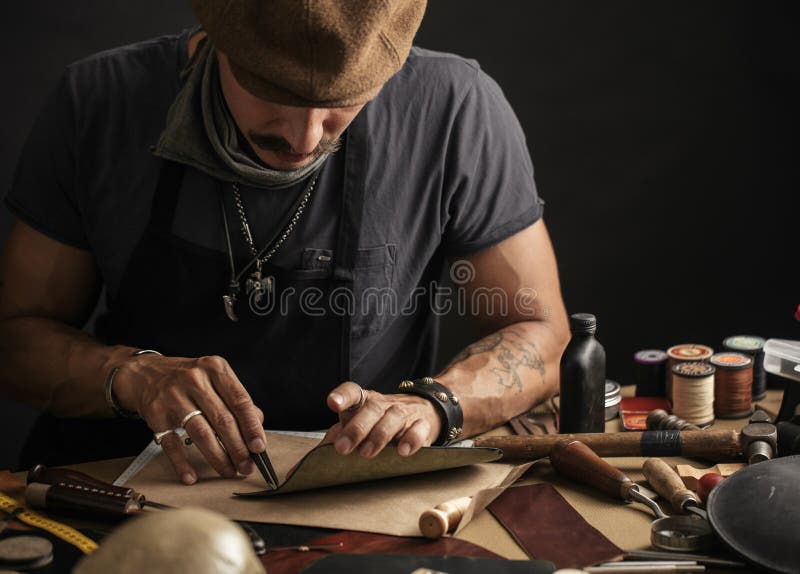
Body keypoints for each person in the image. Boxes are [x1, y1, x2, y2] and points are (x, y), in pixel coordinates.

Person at [0, 0, 569, 484]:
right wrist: (130, 375)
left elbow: (540, 333)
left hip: (352, 492)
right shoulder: (99, 103)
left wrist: (435, 404)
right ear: (220, 38)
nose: (304, 138)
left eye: (343, 101)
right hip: (121, 484)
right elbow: (15, 336)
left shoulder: (454, 109)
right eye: (273, 90)